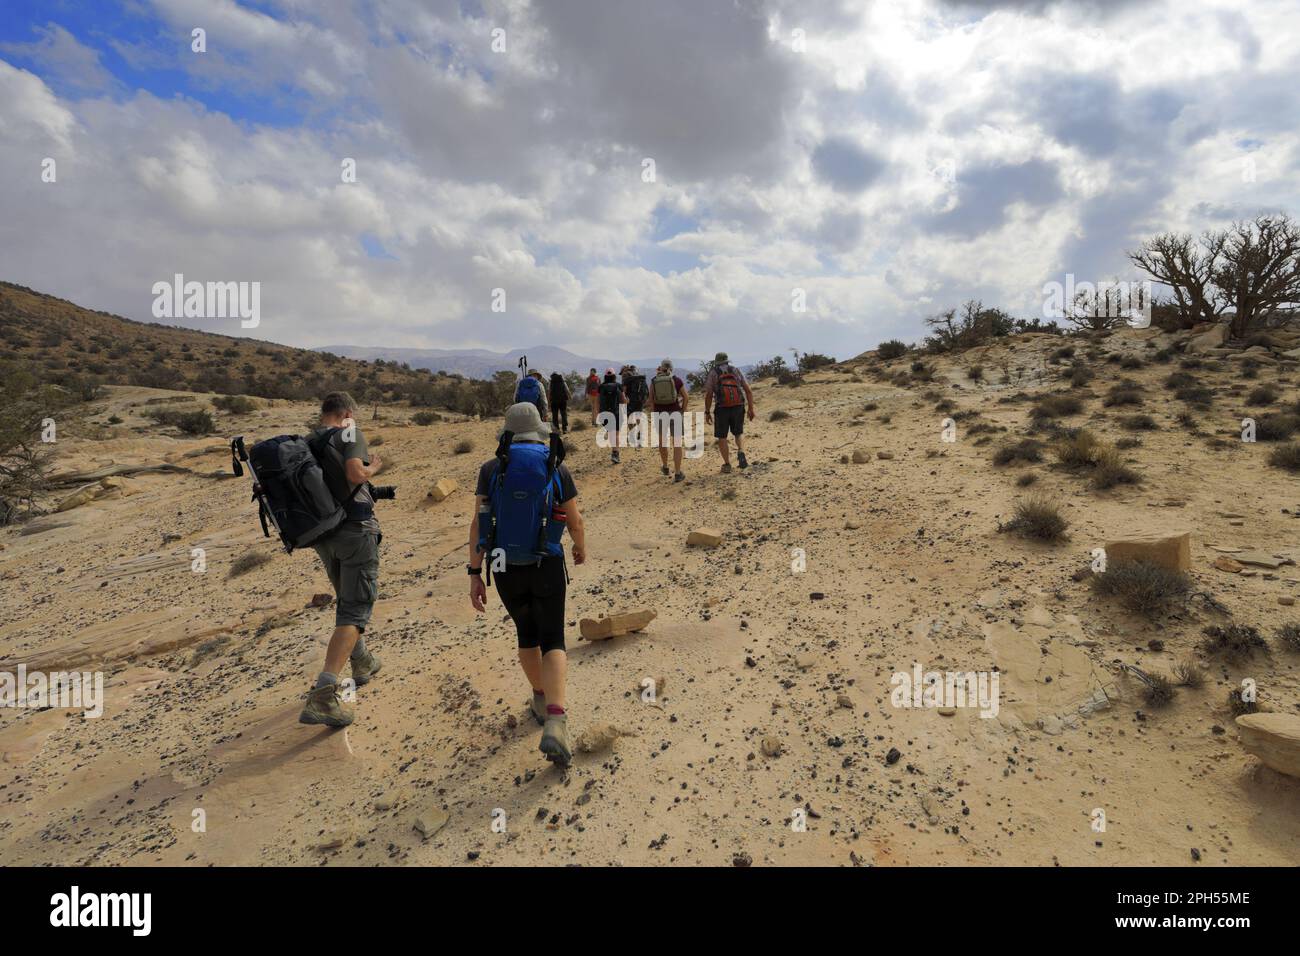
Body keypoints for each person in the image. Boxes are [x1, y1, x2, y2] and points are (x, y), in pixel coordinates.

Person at [469, 403, 587, 767]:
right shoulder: (555, 463)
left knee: (526, 633)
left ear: (507, 431)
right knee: (553, 639)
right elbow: (574, 519)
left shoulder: (492, 468)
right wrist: (580, 547)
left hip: (503, 562)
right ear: (539, 429)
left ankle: (538, 694)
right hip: (546, 559)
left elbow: (478, 523)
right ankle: (555, 718)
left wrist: (475, 573)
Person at [299, 391, 384, 727]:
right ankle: (325, 693)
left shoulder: (308, 441)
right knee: (355, 608)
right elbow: (354, 474)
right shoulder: (349, 433)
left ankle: (362, 662)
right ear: (348, 413)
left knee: (347, 601)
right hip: (355, 532)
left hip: (324, 536)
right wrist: (373, 466)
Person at [703, 351, 755, 474]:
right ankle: (741, 451)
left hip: (722, 408)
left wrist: (707, 412)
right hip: (738, 406)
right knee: (738, 432)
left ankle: (727, 464)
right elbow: (748, 390)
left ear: (716, 362)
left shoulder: (713, 373)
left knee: (722, 437)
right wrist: (751, 408)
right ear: (727, 360)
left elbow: (709, 394)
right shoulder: (735, 370)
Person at [649, 359, 688, 482]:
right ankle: (677, 473)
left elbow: (651, 400)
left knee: (662, 442)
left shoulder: (654, 381)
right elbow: (686, 397)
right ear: (671, 368)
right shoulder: (676, 380)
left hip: (660, 414)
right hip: (675, 413)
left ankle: (665, 466)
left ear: (661, 368)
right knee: (677, 444)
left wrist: (654, 413)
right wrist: (682, 410)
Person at [596, 368, 626, 464]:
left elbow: (598, 401)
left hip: (604, 413)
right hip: (616, 412)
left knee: (611, 432)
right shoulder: (618, 386)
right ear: (614, 376)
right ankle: (615, 453)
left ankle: (614, 451)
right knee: (616, 433)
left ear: (605, 376)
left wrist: (598, 412)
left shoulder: (601, 387)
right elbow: (623, 400)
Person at [621, 365, 648, 448]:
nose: (621, 375)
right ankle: (640, 435)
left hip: (630, 401)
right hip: (640, 400)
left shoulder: (626, 376)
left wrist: (623, 399)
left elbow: (624, 390)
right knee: (638, 418)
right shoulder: (638, 376)